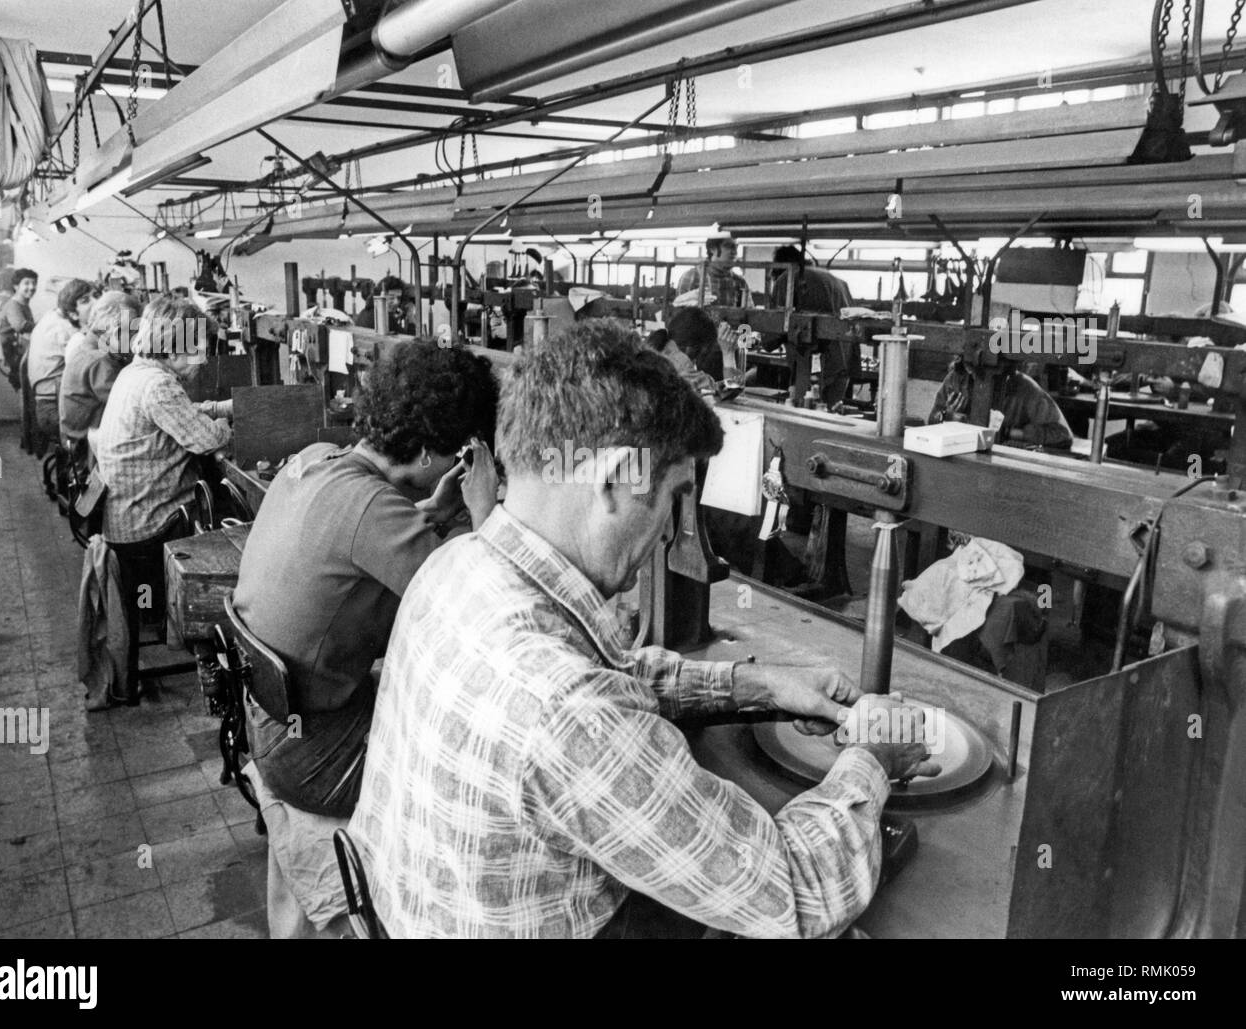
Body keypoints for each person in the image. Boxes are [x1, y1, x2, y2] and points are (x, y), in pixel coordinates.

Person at [344, 319, 937, 938]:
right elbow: (801, 890)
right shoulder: (566, 712)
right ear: (614, 478)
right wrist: (872, 758)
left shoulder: (455, 566)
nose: (668, 531)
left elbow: (606, 676)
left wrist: (759, 687)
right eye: (676, 496)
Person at [233, 340, 499, 820]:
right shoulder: (374, 509)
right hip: (316, 761)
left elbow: (359, 534)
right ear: (423, 452)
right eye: (453, 453)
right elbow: (484, 610)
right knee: (485, 756)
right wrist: (483, 511)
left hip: (272, 723)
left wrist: (434, 511)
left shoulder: (316, 459)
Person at [97, 296, 233, 703]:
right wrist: (227, 422)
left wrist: (221, 407)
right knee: (237, 525)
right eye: (198, 349)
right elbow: (206, 438)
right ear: (172, 343)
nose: (204, 360)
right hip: (148, 529)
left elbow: (183, 413)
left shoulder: (138, 374)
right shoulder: (158, 386)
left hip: (125, 519)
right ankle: (214, 641)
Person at [771, 245, 858, 409]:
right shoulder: (837, 281)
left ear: (780, 265)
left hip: (811, 368)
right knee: (829, 416)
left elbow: (771, 335)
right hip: (843, 366)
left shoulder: (787, 278)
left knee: (805, 418)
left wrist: (753, 338)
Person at [59, 291, 141, 458]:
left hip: (75, 434)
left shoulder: (85, 346)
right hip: (85, 445)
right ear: (113, 328)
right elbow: (128, 403)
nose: (134, 337)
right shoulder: (99, 360)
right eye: (131, 330)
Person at [928, 357, 1074, 450]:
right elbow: (931, 422)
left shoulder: (1025, 388)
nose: (976, 379)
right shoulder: (956, 380)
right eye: (970, 370)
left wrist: (1011, 433)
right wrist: (946, 417)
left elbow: (1063, 435)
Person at [28, 278, 95, 441]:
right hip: (54, 410)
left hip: (50, 403)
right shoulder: (67, 331)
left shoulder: (53, 317)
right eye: (86, 301)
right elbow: (89, 367)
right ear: (72, 313)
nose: (95, 303)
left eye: (95, 296)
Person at [675, 236, 753, 309]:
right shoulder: (691, 277)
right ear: (712, 249)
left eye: (736, 247)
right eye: (728, 246)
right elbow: (679, 315)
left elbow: (750, 315)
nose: (735, 252)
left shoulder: (739, 282)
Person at [0, 268, 37, 392]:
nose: (31, 287)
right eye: (26, 283)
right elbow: (21, 326)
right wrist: (43, 324)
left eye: (34, 283)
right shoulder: (13, 305)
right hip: (9, 354)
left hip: (17, 351)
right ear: (16, 286)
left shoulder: (24, 305)